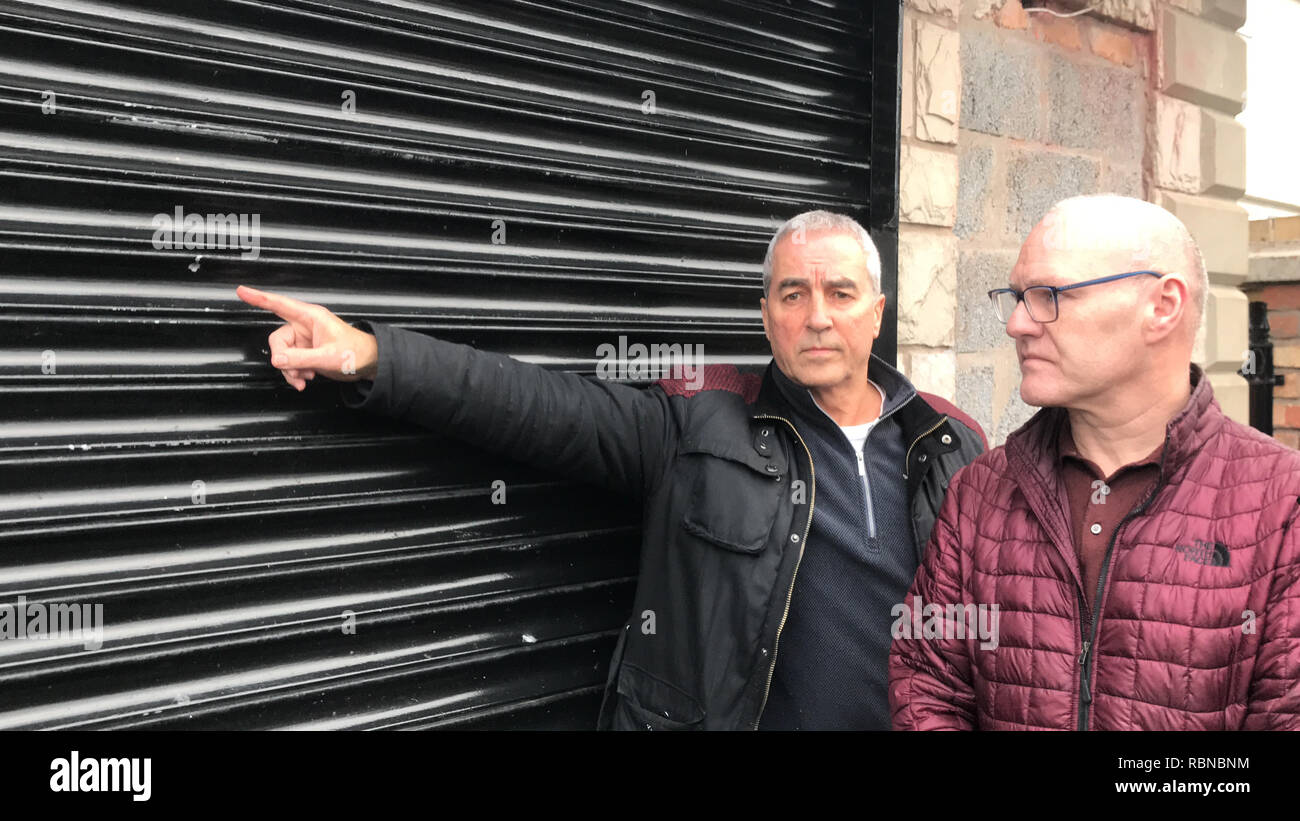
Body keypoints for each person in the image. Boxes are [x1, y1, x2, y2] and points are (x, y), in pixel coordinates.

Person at [237, 210, 985, 730]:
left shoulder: (949, 442)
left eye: (840, 293)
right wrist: (373, 356)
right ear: (766, 315)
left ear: (878, 310)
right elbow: (536, 406)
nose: (817, 315)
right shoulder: (700, 421)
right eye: (794, 294)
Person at [889, 194, 1300, 730]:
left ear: (1163, 306)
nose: (1017, 324)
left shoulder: (1282, 502)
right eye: (1017, 297)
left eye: (1048, 295)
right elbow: (926, 683)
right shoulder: (980, 493)